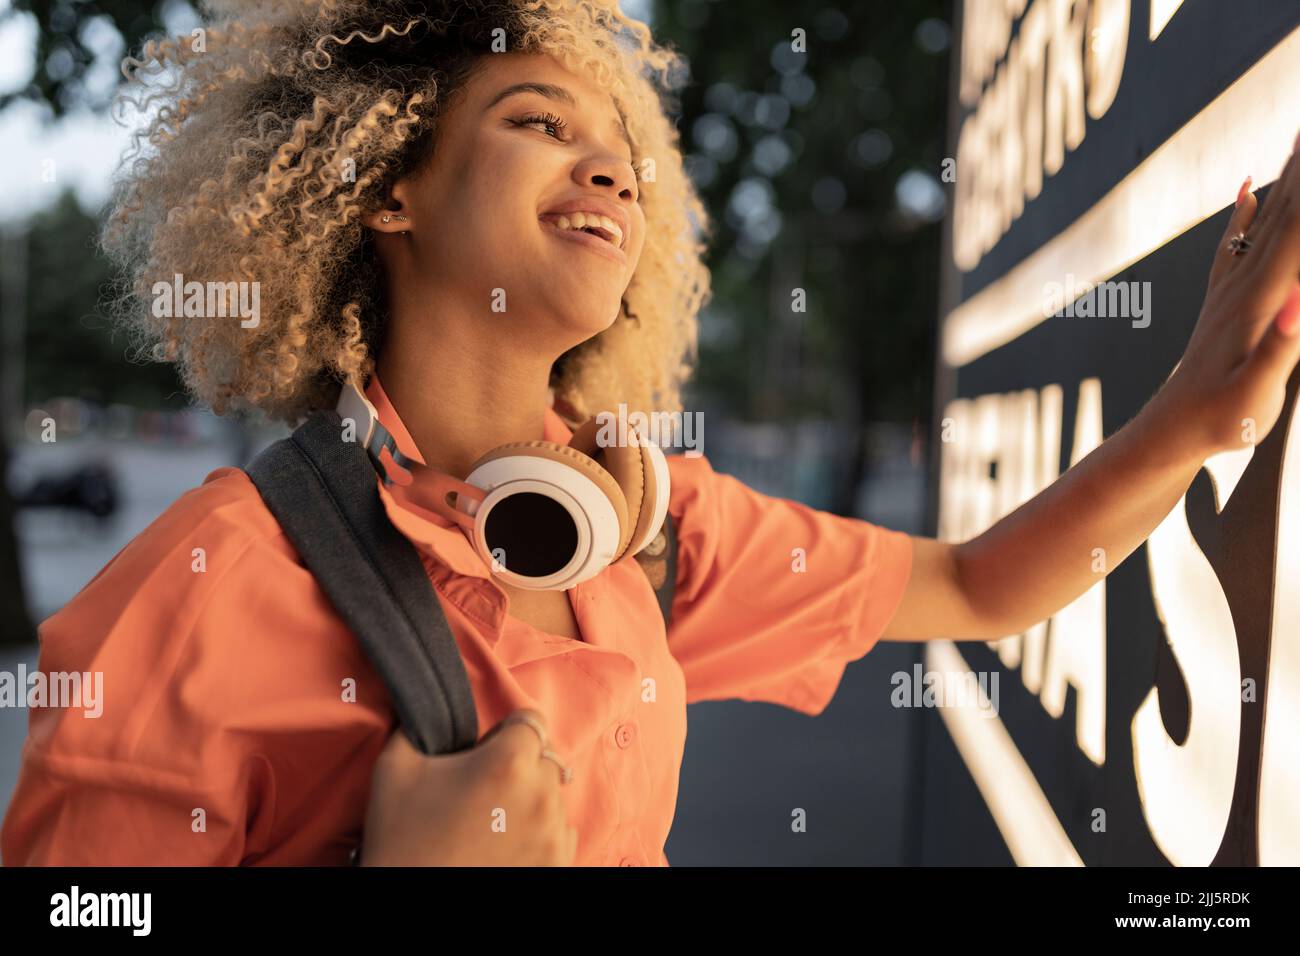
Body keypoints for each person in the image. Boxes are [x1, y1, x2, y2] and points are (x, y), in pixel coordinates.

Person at [3, 0, 1299, 867]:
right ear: (387, 183)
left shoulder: (653, 532)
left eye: (622, 151)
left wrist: (1194, 412)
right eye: (536, 124)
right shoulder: (197, 590)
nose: (614, 169)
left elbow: (977, 584)